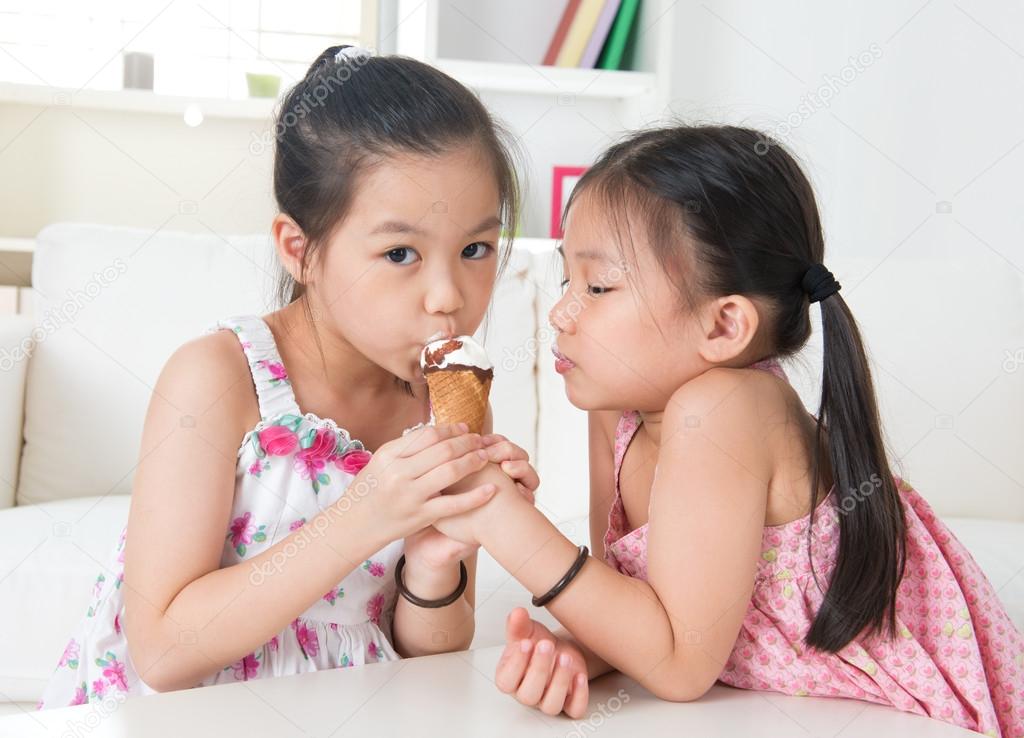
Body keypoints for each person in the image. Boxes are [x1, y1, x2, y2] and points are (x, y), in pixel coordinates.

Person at [438, 125, 1024, 736]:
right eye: (566, 281)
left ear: (723, 327)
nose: (561, 312)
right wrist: (580, 648)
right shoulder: (617, 409)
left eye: (599, 287)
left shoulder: (725, 410)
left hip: (909, 716)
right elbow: (647, 603)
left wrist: (504, 519)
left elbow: (679, 663)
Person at [37, 45, 537, 708]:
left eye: (476, 248)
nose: (448, 295)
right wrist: (366, 515)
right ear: (300, 250)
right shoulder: (217, 379)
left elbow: (431, 653)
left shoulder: (445, 409)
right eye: (400, 253)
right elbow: (161, 650)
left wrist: (436, 560)